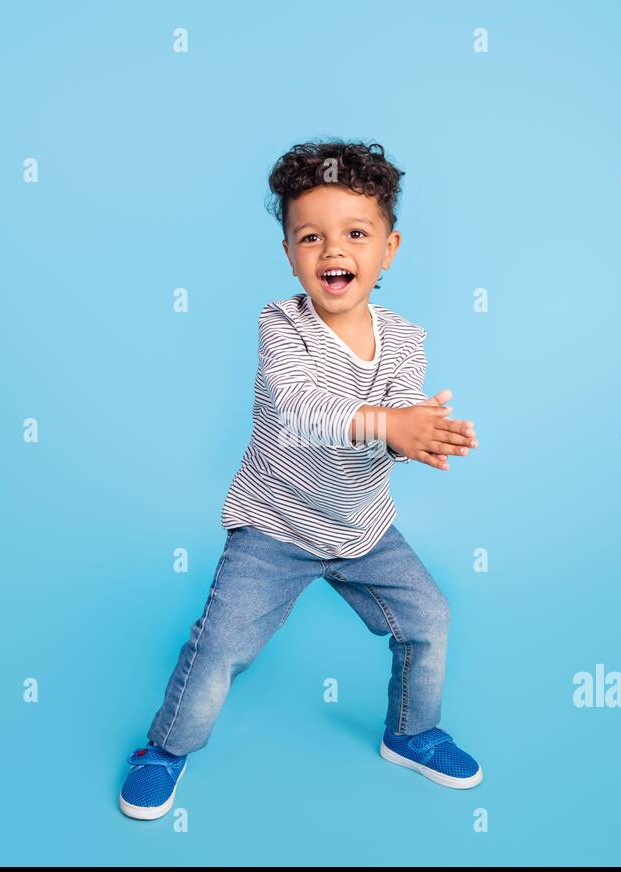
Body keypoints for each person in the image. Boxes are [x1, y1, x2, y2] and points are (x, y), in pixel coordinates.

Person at [119, 141, 482, 821]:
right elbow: (301, 413)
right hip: (276, 526)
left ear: (389, 248)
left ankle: (411, 732)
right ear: (289, 253)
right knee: (220, 645)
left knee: (429, 618)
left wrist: (418, 440)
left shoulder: (406, 339)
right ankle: (165, 750)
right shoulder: (282, 326)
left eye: (354, 234)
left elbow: (393, 433)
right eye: (309, 237)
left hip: (361, 527)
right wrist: (390, 426)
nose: (331, 250)